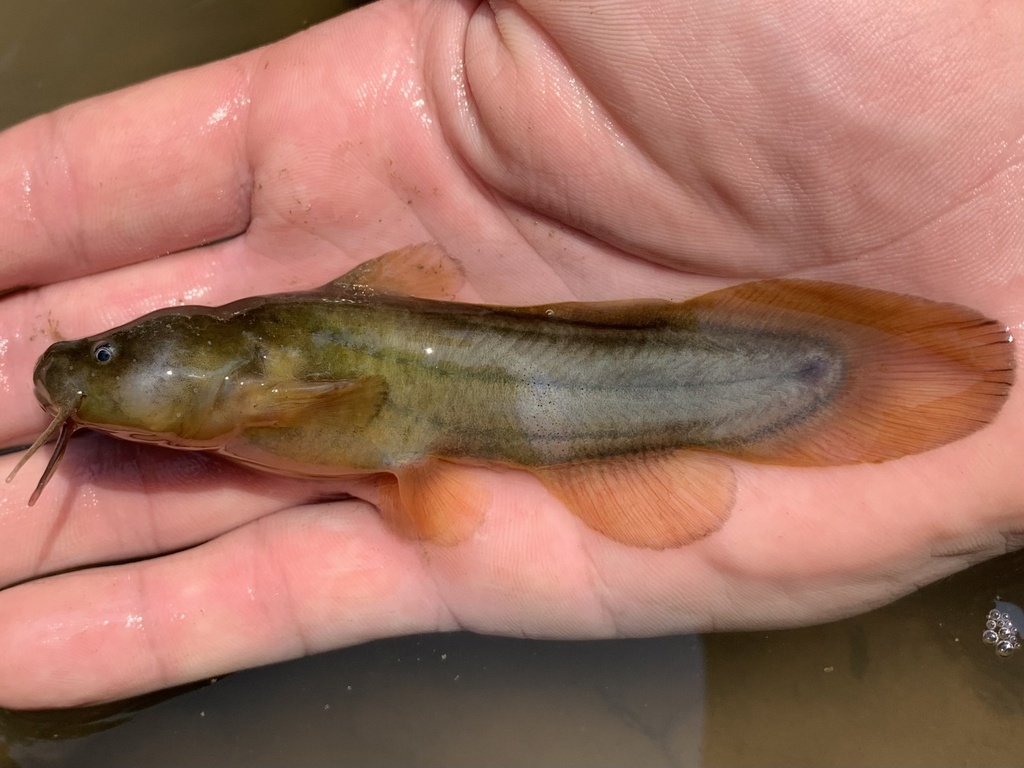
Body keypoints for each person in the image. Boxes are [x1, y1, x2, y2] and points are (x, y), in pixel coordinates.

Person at [0, 0, 1020, 709]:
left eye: (101, 352)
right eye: (98, 358)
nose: (79, 371)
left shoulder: (266, 369)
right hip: (511, 396)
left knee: (771, 369)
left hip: (575, 380)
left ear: (223, 361)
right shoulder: (251, 383)